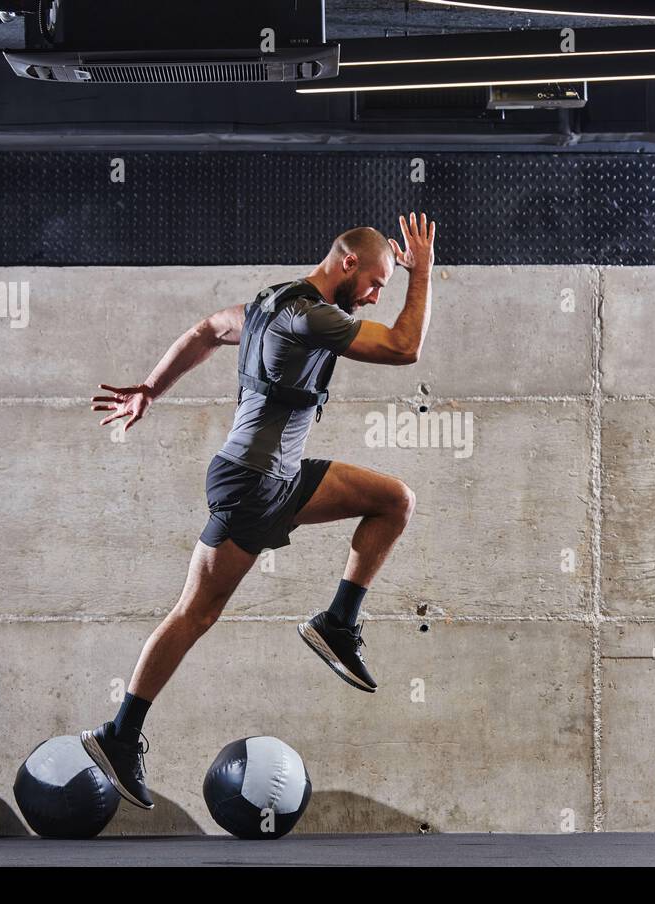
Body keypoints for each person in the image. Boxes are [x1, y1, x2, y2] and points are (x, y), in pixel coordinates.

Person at [79, 213, 436, 809]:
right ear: (347, 263)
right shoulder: (307, 314)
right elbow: (405, 347)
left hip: (281, 478)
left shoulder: (270, 303)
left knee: (393, 500)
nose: (377, 297)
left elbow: (204, 330)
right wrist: (422, 271)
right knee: (196, 613)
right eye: (377, 282)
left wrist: (149, 390)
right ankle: (120, 734)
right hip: (249, 485)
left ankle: (338, 623)